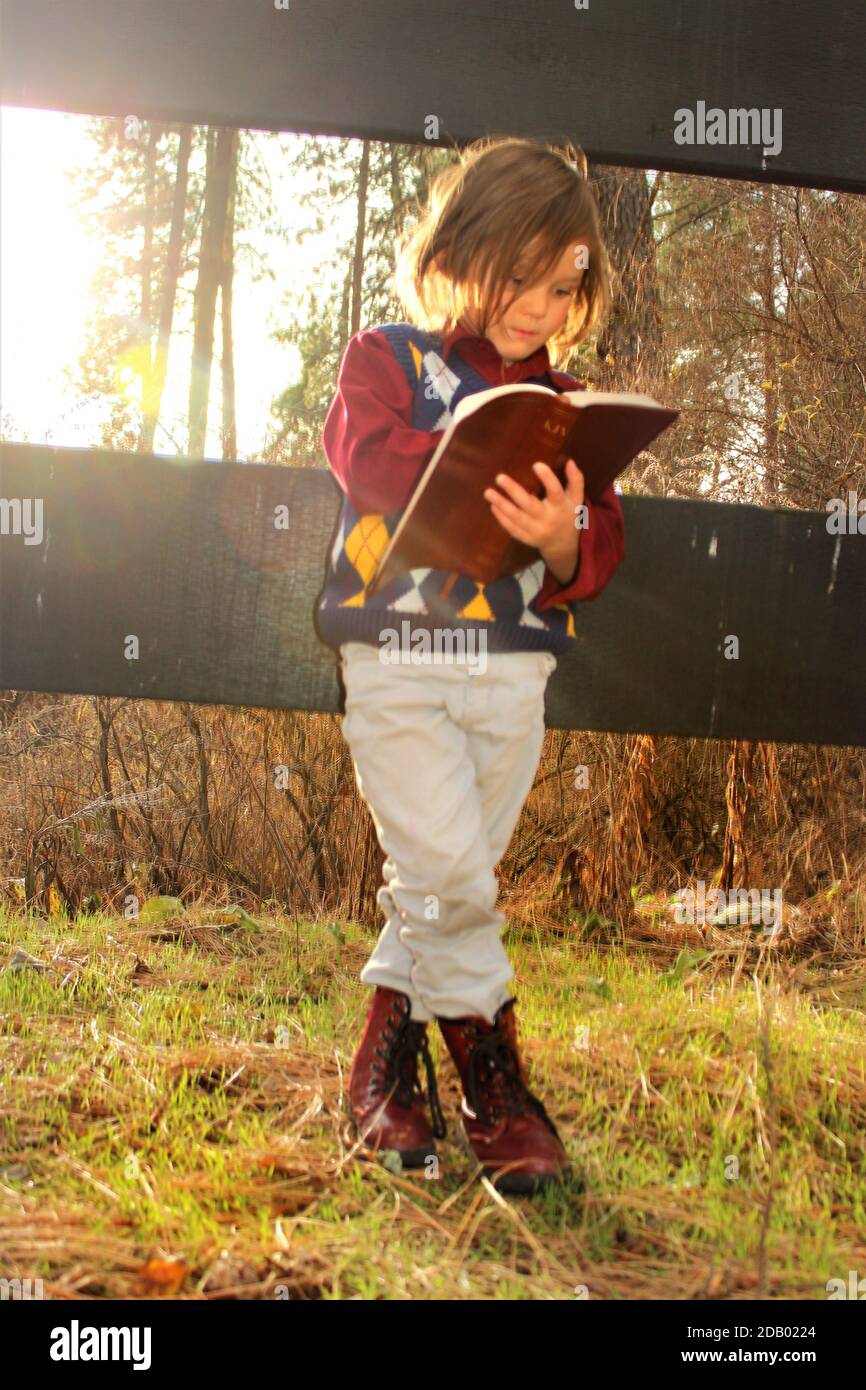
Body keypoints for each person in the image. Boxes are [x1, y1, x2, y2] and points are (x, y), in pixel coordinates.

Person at [314, 135, 625, 1193]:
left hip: (511, 676)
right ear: (460, 248)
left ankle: (382, 1075)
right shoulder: (388, 361)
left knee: (441, 878)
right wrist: (465, 462)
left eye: (557, 287)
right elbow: (359, 455)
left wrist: (555, 530)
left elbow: (600, 540)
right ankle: (498, 1093)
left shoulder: (567, 407)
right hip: (396, 654)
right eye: (515, 277)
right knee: (449, 875)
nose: (535, 309)